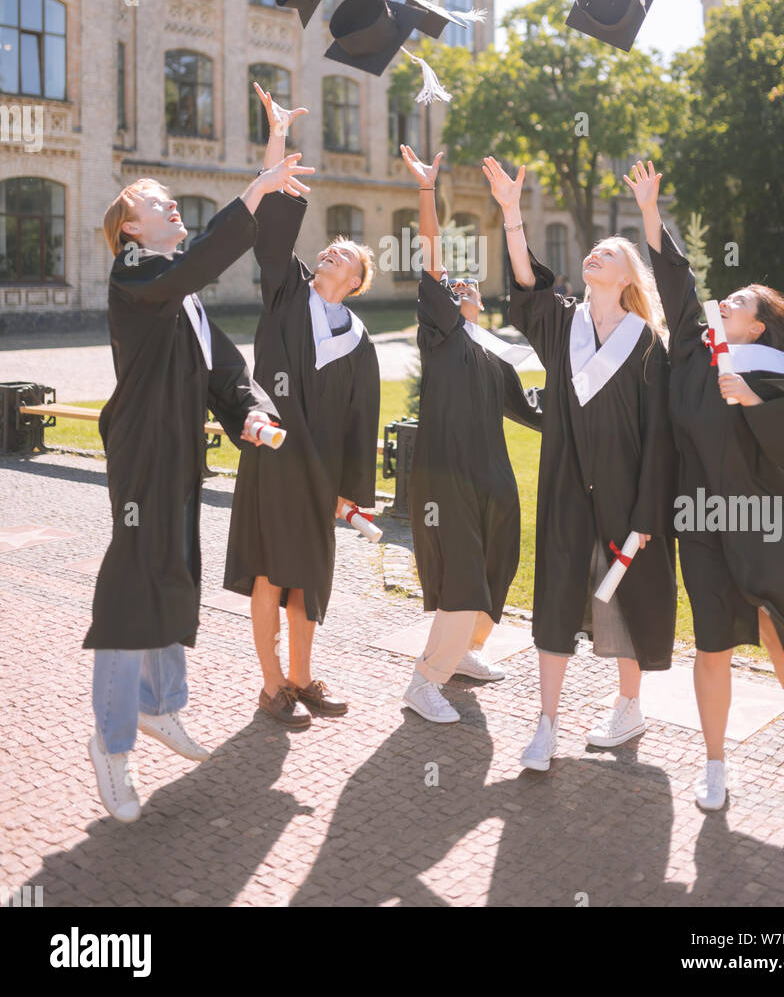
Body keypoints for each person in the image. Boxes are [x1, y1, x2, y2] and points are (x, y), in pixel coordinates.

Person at [87, 153, 313, 823]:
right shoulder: (134, 274)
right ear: (130, 229)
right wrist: (254, 194)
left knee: (175, 573)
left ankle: (159, 708)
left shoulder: (181, 294)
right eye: (155, 202)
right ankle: (111, 741)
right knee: (135, 587)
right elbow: (200, 261)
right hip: (143, 456)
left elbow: (226, 374)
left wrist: (253, 416)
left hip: (181, 457)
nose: (170, 204)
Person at [624, 159, 784, 808]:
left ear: (758, 326)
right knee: (712, 639)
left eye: (738, 301)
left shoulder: (773, 374)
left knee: (780, 632)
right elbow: (676, 279)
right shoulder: (692, 350)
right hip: (701, 520)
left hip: (764, 517)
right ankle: (714, 764)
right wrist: (650, 211)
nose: (725, 302)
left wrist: (752, 401)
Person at [483, 156, 677, 771]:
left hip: (626, 491)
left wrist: (648, 512)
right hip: (566, 484)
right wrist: (512, 214)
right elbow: (527, 285)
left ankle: (628, 705)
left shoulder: (647, 345)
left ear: (628, 278)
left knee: (623, 600)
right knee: (558, 595)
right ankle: (546, 724)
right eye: (592, 250)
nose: (594, 255)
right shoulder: (562, 322)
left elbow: (659, 436)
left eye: (609, 254)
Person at [224, 84, 380, 729]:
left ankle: (302, 676)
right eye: (328, 248)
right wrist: (278, 138)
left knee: (307, 581)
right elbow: (273, 228)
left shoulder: (359, 339)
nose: (329, 251)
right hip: (273, 454)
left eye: (341, 253)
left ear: (356, 280)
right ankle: (272, 687)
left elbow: (359, 423)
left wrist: (352, 493)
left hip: (318, 474)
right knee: (270, 574)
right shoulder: (286, 291)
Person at [399, 146, 543, 724]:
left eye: (466, 285)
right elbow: (431, 256)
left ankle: (464, 654)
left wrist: (590, 395)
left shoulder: (491, 353)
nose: (461, 286)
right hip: (444, 477)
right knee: (461, 574)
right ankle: (425, 678)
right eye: (452, 286)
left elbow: (532, 409)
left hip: (491, 479)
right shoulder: (441, 335)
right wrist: (427, 192)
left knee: (495, 568)